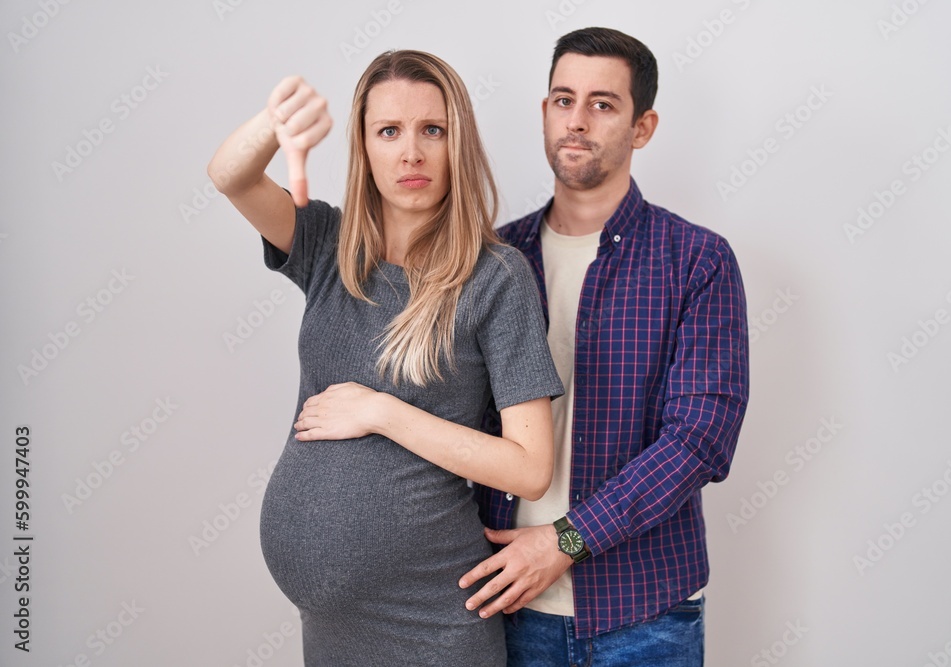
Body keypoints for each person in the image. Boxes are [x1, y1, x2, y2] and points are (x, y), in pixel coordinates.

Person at [207, 50, 563, 666]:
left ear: (460, 145)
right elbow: (229, 175)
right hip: (330, 630)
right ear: (364, 148)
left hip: (431, 622)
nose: (411, 153)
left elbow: (530, 468)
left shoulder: (496, 278)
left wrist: (382, 412)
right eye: (388, 131)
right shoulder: (326, 245)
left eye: (433, 130)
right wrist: (277, 118)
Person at [460, 27, 750, 666]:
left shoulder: (697, 260)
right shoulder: (492, 261)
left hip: (646, 613)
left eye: (603, 104)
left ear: (642, 127)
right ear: (544, 112)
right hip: (503, 606)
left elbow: (700, 439)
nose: (578, 121)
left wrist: (563, 541)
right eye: (564, 100)